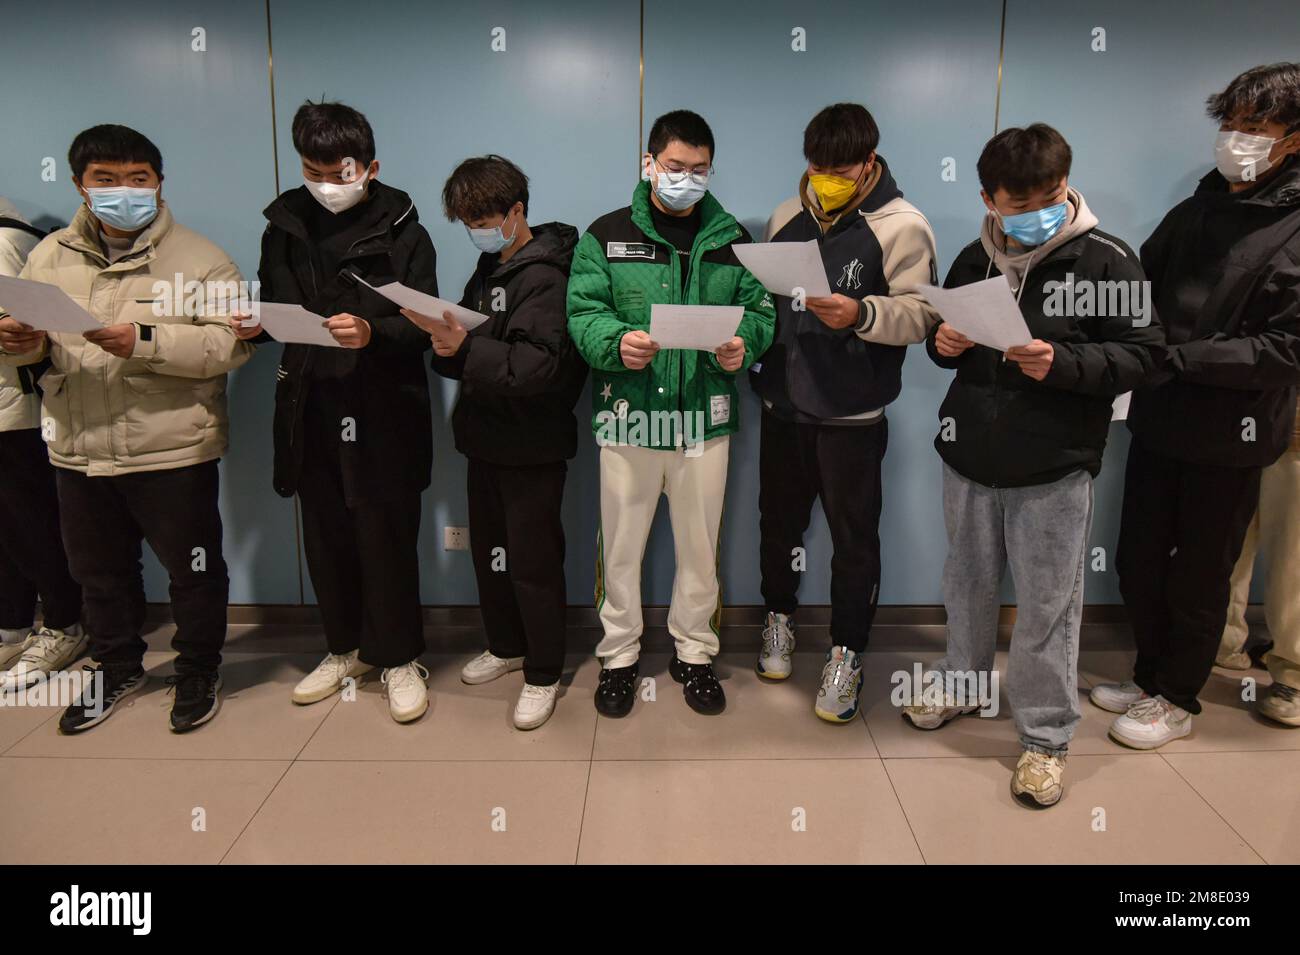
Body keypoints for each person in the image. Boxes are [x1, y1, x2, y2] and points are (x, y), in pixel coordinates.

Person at [903, 124, 1163, 807]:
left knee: (1049, 606)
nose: (1038, 212)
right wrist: (946, 343)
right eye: (1018, 202)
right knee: (965, 585)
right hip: (967, 456)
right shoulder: (972, 258)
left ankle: (1045, 738)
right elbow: (938, 344)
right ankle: (962, 688)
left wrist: (1063, 363)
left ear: (1065, 184)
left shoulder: (1107, 261)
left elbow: (1147, 355)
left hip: (1054, 466)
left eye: (1050, 196)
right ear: (989, 198)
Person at [0, 125, 252, 732]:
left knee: (193, 569)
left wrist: (143, 341)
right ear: (80, 186)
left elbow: (228, 346)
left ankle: (197, 669)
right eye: (106, 180)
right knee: (97, 570)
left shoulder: (200, 258)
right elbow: (34, 350)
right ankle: (116, 666)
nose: (124, 192)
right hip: (78, 447)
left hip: (172, 446)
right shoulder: (47, 255)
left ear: (159, 183)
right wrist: (17, 344)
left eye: (137, 179)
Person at [1093, 62, 1300, 748]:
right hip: (1159, 417)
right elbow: (1138, 288)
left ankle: (1177, 698)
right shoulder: (1197, 207)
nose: (1236, 138)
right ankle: (1148, 674)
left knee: (1201, 571)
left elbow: (1284, 349)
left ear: (1292, 139)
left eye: (1255, 127)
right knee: (1138, 558)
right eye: (1229, 124)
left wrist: (1185, 357)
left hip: (1232, 432)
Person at [232, 101, 438, 724]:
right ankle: (343, 648)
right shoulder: (284, 226)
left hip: (383, 407)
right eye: (312, 170)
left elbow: (426, 325)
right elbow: (280, 306)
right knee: (324, 535)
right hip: (310, 401)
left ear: (370, 167)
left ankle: (398, 657)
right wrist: (255, 324)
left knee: (386, 538)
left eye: (340, 171)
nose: (326, 184)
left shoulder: (406, 231)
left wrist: (373, 332)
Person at [567, 109, 775, 717]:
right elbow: (583, 312)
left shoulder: (734, 240)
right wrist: (615, 342)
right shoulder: (604, 235)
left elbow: (761, 313)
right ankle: (620, 656)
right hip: (630, 416)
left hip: (702, 422)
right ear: (649, 163)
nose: (687, 178)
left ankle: (695, 654)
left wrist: (746, 346)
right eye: (676, 167)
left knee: (700, 546)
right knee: (622, 547)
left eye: (700, 169)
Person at [751, 103, 939, 722]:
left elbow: (923, 315)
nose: (825, 177)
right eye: (816, 166)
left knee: (854, 541)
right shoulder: (787, 214)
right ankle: (777, 621)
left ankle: (846, 653)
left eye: (839, 168)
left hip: (853, 417)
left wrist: (863, 315)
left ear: (868, 163)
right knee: (778, 526)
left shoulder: (903, 225)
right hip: (783, 405)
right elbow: (768, 301)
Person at [411, 155, 585, 731]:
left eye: (484, 217)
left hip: (533, 444)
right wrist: (446, 345)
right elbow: (477, 342)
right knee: (492, 555)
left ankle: (544, 671)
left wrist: (461, 350)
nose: (477, 229)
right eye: (467, 220)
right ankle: (506, 644)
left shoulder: (550, 273)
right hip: (484, 437)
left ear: (517, 211)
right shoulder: (492, 267)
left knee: (534, 563)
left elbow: (538, 367)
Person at [0, 199, 84, 681]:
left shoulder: (8, 241)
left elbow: (32, 331)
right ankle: (12, 624)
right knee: (9, 529)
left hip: (17, 413)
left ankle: (63, 622)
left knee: (31, 524)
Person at [1214, 393, 1299, 727]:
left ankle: (1292, 675)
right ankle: (1222, 643)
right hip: (1241, 418)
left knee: (1291, 562)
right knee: (1226, 548)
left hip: (1293, 431)